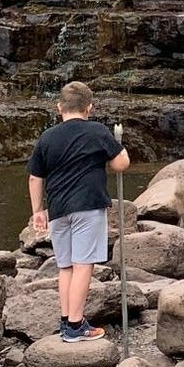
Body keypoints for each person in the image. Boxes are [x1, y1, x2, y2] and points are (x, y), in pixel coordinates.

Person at [27, 81, 130, 342]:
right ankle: (75, 326)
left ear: (59, 107)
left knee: (66, 267)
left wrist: (38, 211)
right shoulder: (97, 131)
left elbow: (35, 177)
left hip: (58, 209)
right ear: (89, 108)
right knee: (83, 265)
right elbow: (121, 163)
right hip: (88, 206)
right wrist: (115, 148)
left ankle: (66, 319)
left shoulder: (47, 137)